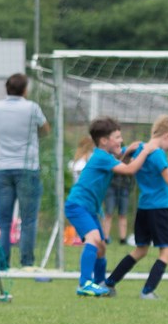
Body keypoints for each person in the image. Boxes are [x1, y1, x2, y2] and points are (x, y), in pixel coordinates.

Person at [102, 116, 168, 300]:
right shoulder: (157, 153)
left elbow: (118, 157)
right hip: (159, 208)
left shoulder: (138, 148)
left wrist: (127, 151)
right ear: (166, 135)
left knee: (140, 250)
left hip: (144, 208)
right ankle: (147, 291)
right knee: (167, 251)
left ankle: (109, 283)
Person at [63, 117, 160, 297]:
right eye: (117, 137)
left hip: (89, 208)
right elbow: (129, 170)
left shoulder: (105, 155)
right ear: (104, 141)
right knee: (93, 239)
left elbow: (122, 155)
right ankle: (84, 284)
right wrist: (145, 151)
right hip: (77, 205)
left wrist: (131, 149)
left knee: (101, 247)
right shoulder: (101, 156)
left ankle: (101, 284)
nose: (121, 140)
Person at [0, 73, 48, 271]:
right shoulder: (32, 107)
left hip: (2, 168)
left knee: (3, 219)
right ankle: (27, 261)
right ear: (25, 89)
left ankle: (3, 262)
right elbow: (45, 129)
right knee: (29, 218)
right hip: (27, 167)